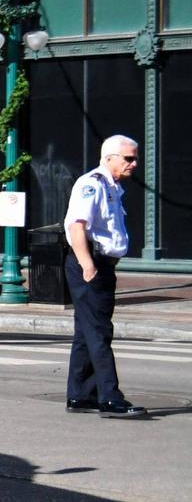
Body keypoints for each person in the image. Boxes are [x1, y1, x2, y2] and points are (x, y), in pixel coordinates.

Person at [63, 135, 146, 419]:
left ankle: (80, 395)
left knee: (86, 332)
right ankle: (110, 397)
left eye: (135, 158)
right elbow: (76, 226)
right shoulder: (92, 184)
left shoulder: (113, 187)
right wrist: (88, 265)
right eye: (128, 158)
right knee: (99, 331)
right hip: (91, 263)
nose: (134, 164)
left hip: (102, 264)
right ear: (109, 157)